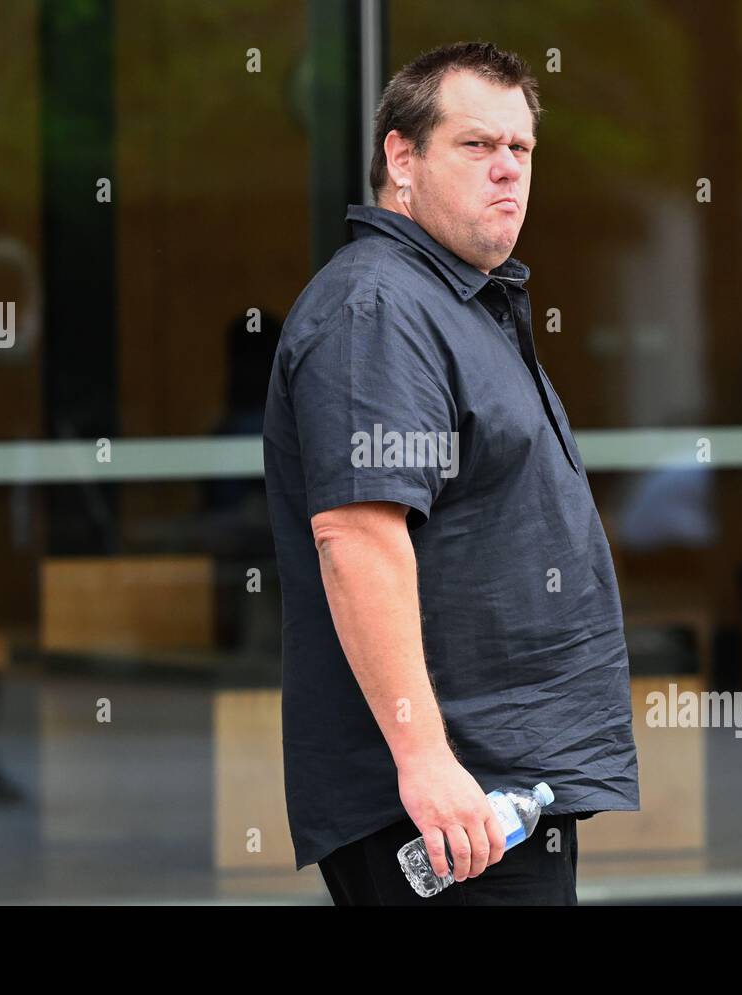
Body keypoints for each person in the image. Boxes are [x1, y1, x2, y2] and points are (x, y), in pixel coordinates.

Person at [263, 41, 639, 906]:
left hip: (497, 794)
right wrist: (426, 760)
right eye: (477, 145)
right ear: (402, 158)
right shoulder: (379, 311)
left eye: (522, 149)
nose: (507, 169)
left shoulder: (456, 302)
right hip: (446, 808)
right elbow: (356, 537)